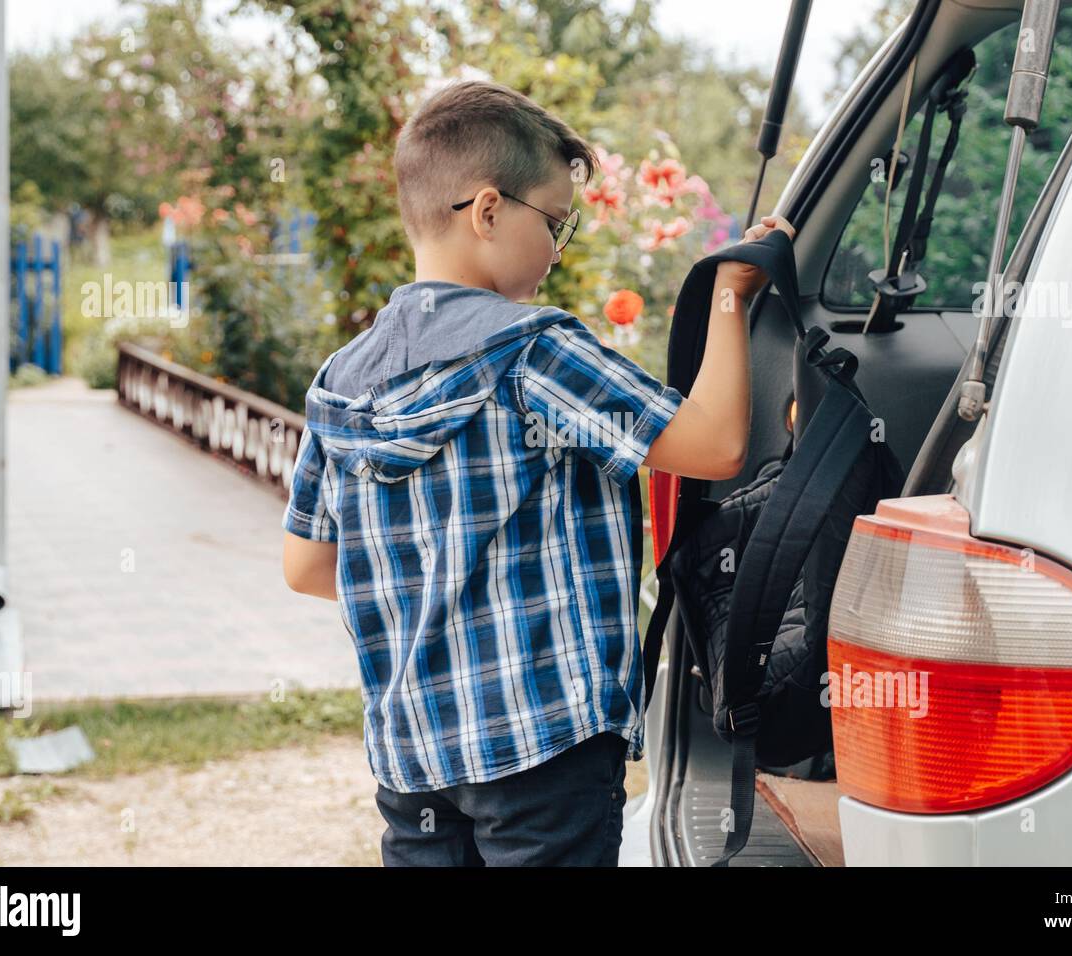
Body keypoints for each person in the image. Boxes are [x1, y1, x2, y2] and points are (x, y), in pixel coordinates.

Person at [280, 79, 795, 866]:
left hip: (413, 758)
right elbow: (715, 445)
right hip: (543, 749)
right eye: (557, 222)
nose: (559, 249)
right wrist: (730, 293)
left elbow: (308, 566)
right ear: (488, 211)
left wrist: (435, 581)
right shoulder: (534, 351)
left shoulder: (341, 379)